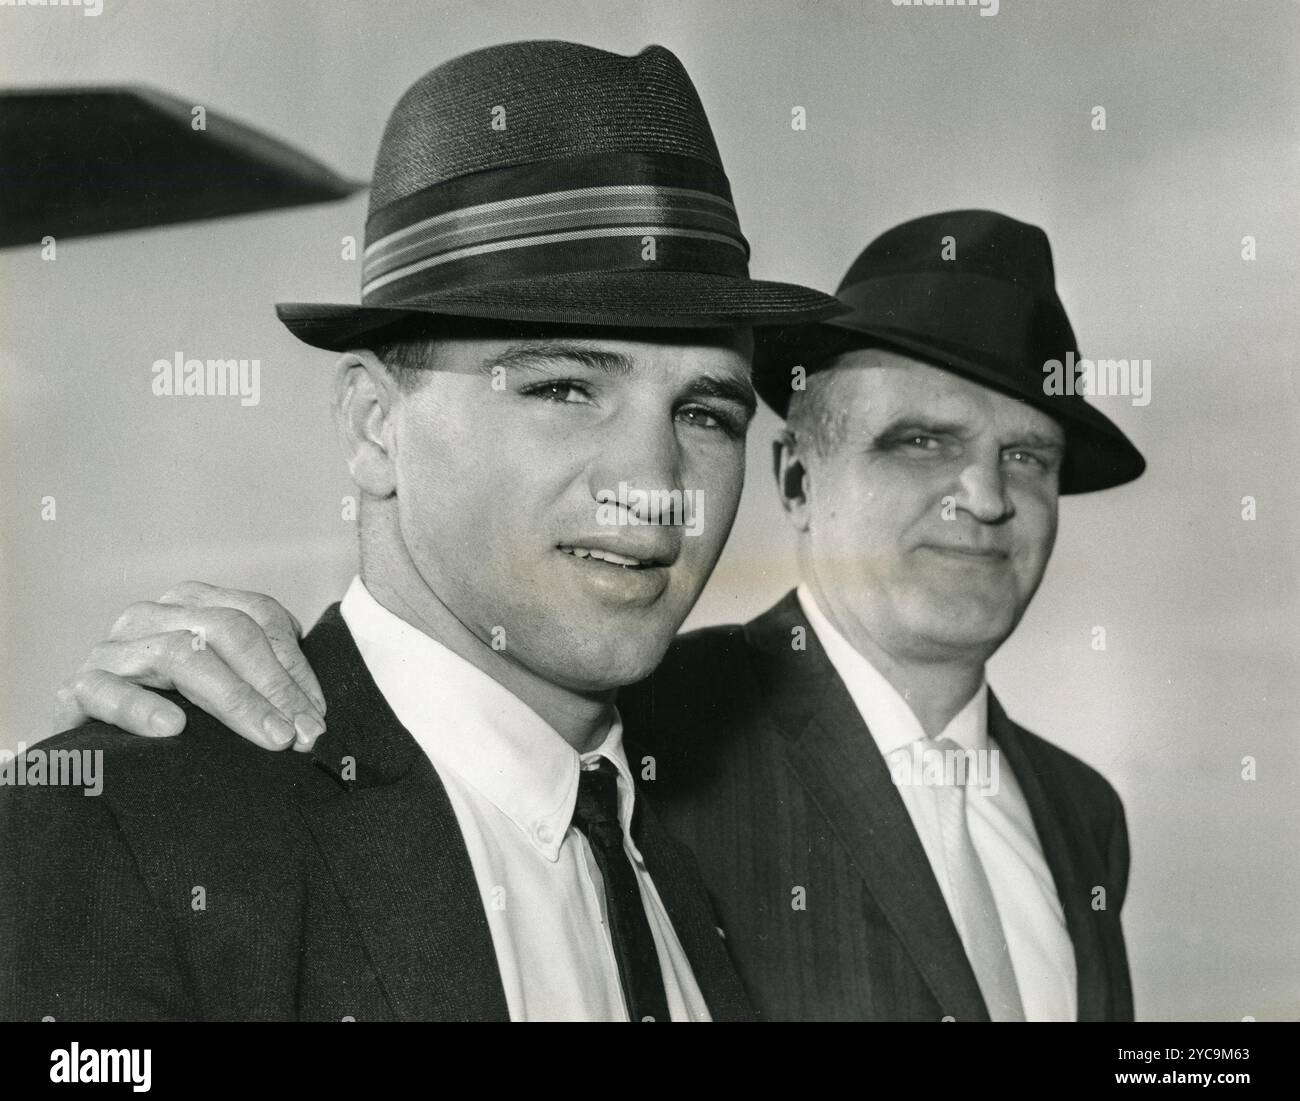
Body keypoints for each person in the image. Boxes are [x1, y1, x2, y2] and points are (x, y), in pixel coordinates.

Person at [49, 211, 1145, 1020]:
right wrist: (188, 672)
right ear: (798, 481)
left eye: (1028, 458)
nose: (985, 498)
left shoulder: (1079, 807)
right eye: (920, 442)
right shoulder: (670, 717)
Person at [0, 40, 843, 1022]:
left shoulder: (731, 837)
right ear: (374, 425)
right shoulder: (120, 832)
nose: (652, 484)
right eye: (563, 386)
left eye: (705, 413)